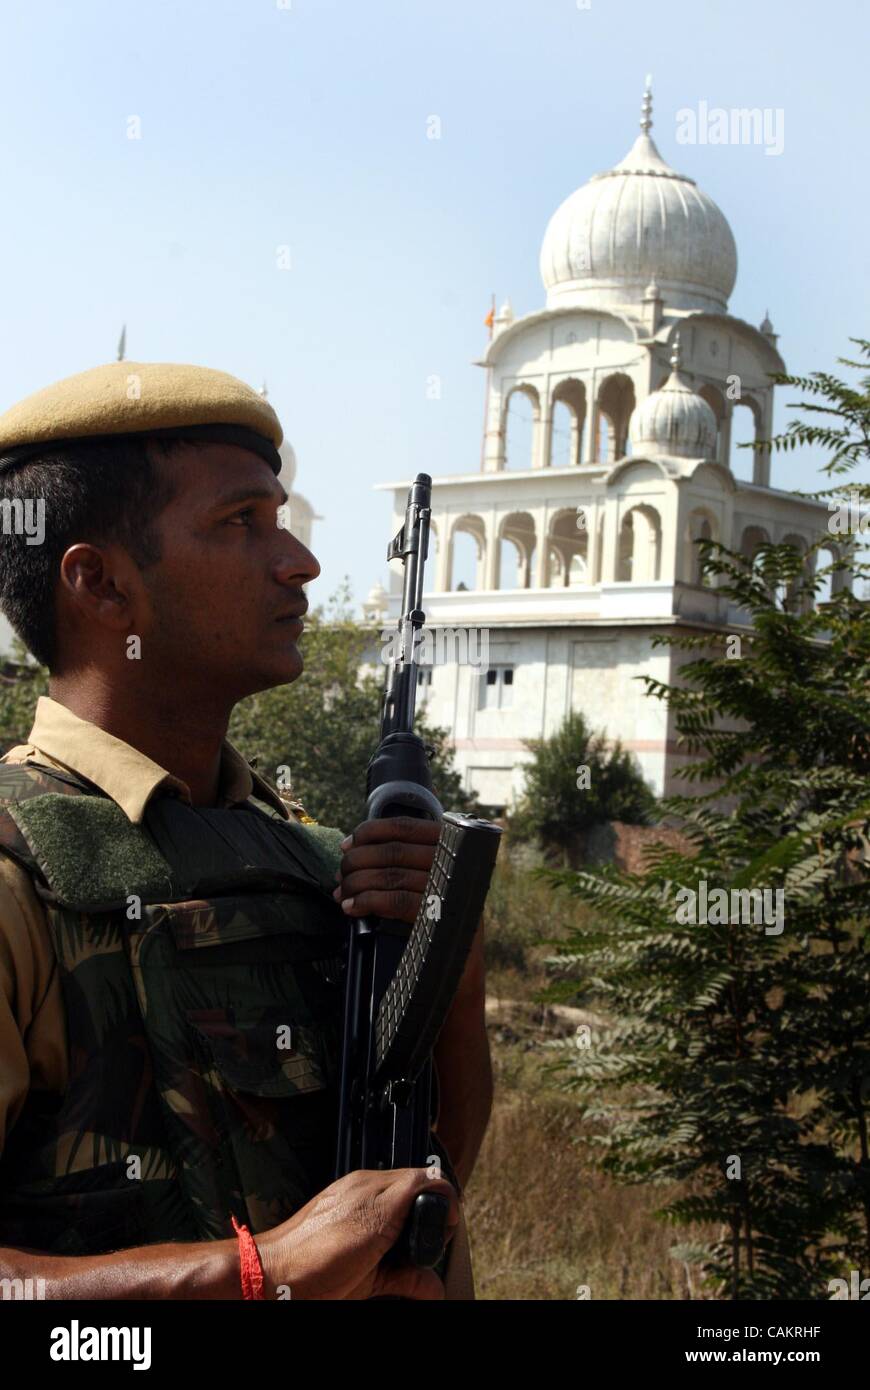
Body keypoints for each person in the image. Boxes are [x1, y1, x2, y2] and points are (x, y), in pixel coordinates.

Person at [0, 360, 491, 1300]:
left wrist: (447, 964)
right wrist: (260, 1278)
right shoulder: (21, 872)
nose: (300, 561)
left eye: (283, 517)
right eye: (241, 523)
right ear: (101, 587)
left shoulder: (314, 861)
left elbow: (431, 1177)